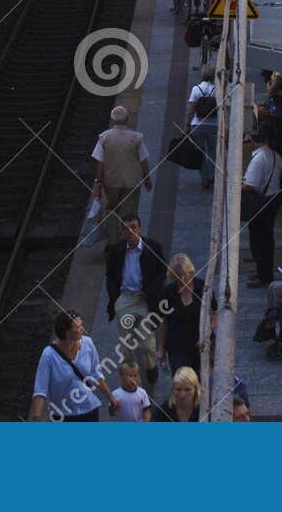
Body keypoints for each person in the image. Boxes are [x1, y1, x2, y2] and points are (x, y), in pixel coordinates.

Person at [104, 213, 168, 387]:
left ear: (140, 228)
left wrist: (149, 292)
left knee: (147, 341)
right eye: (126, 228)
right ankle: (131, 374)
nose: (130, 231)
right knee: (127, 342)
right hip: (126, 299)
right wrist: (115, 298)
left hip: (145, 299)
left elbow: (162, 273)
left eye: (133, 227)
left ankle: (151, 365)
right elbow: (110, 275)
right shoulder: (116, 250)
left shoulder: (153, 247)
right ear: (122, 232)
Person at [30, 311, 117, 421]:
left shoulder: (88, 343)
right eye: (78, 327)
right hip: (62, 415)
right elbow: (40, 389)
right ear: (67, 333)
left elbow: (96, 374)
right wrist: (36, 417)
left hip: (89, 409)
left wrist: (111, 398)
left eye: (81, 325)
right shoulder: (49, 355)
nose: (82, 328)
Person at [91, 106, 151, 246]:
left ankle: (113, 242)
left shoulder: (104, 137)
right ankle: (127, 241)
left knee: (111, 211)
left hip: (111, 182)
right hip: (132, 182)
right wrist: (147, 178)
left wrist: (99, 180)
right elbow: (143, 159)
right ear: (127, 120)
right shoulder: (137, 137)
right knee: (129, 213)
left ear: (112, 120)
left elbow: (99, 161)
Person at [242, 119, 282, 288]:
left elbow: (250, 185)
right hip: (273, 199)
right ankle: (264, 272)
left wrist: (238, 184)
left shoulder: (259, 159)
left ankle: (263, 275)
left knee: (258, 239)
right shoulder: (276, 156)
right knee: (267, 238)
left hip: (260, 202)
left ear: (255, 140)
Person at [157, 252, 209, 380]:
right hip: (176, 345)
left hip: (198, 344)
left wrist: (207, 332)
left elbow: (214, 312)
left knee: (198, 380)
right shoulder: (168, 292)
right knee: (181, 380)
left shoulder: (202, 287)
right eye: (178, 277)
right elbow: (163, 322)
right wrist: (161, 348)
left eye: (185, 276)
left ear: (191, 273)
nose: (183, 280)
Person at [185, 65, 221, 190]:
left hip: (197, 125)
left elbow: (191, 110)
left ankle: (204, 179)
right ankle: (212, 175)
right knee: (212, 151)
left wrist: (187, 125)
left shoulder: (196, 89)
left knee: (200, 152)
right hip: (213, 125)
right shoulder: (218, 89)